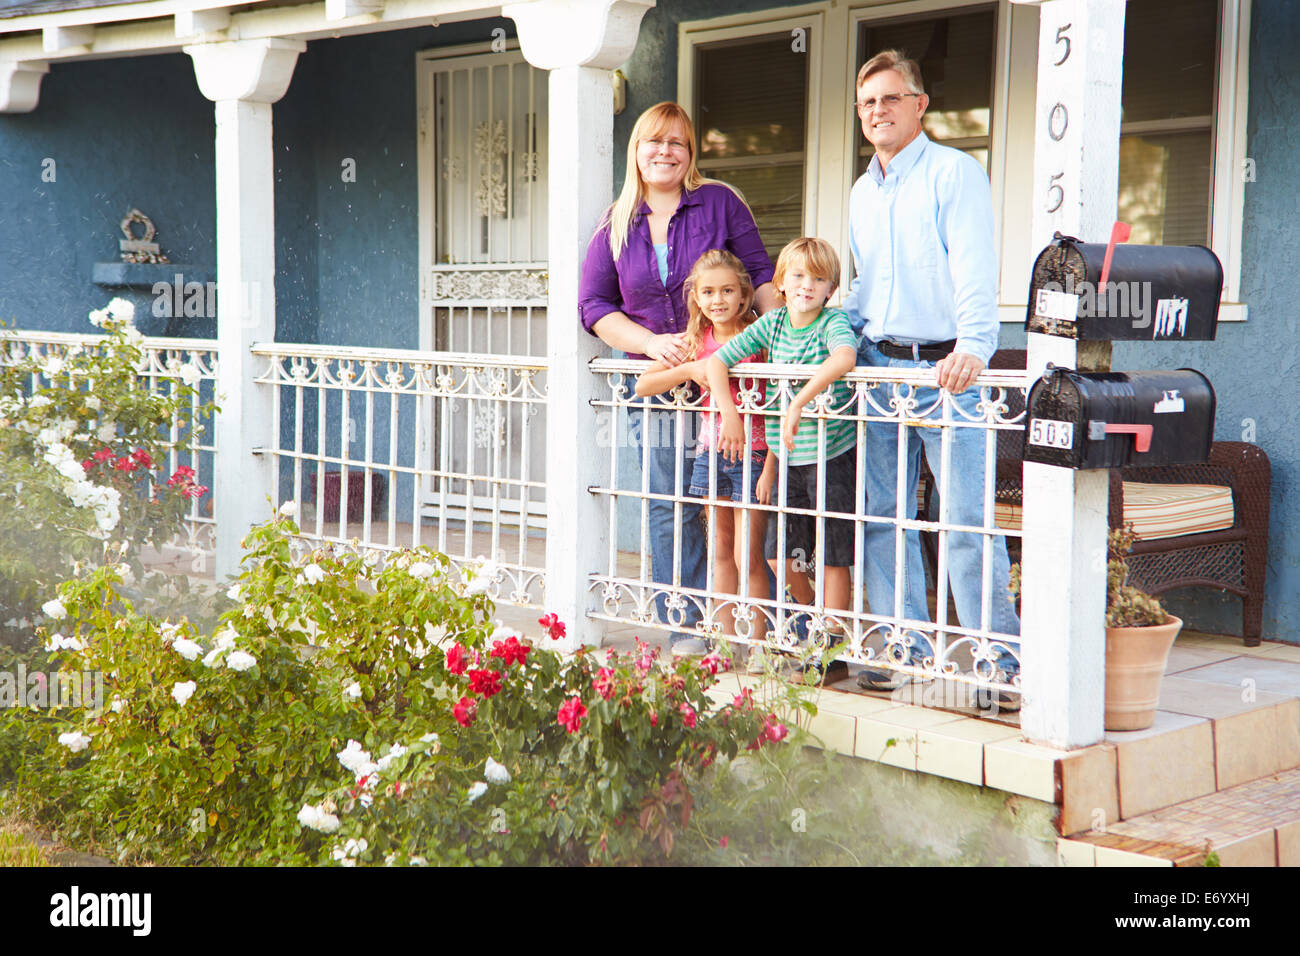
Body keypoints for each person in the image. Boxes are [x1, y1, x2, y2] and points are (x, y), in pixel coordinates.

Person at [843, 49, 1021, 707]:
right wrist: (831, 334)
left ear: (919, 105)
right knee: (882, 515)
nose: (878, 111)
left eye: (891, 98)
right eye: (867, 103)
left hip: (948, 369)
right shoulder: (864, 191)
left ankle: (999, 663)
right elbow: (868, 286)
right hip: (879, 368)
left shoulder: (954, 174)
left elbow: (974, 269)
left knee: (967, 520)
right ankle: (903, 645)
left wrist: (975, 346)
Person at [579, 102, 780, 655]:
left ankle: (759, 626)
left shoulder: (718, 202)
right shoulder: (616, 222)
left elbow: (760, 274)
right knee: (671, 501)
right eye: (654, 141)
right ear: (636, 151)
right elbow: (594, 305)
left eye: (677, 142)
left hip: (730, 382)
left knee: (743, 502)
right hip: (660, 386)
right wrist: (649, 345)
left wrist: (785, 337)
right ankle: (686, 623)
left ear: (690, 154)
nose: (665, 151)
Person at [707, 237, 858, 683]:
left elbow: (844, 357)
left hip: (830, 453)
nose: (807, 285)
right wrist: (730, 415)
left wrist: (797, 402)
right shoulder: (772, 324)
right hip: (788, 456)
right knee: (778, 554)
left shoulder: (833, 321)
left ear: (830, 288)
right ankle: (817, 622)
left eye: (818, 278)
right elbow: (719, 362)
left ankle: (830, 651)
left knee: (831, 553)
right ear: (781, 283)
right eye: (798, 276)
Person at [635, 250, 773, 671]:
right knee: (721, 551)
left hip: (753, 452)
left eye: (727, 290)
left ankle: (760, 645)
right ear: (695, 297)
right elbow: (643, 384)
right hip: (710, 454)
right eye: (708, 292)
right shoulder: (697, 339)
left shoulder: (760, 336)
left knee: (751, 554)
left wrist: (770, 465)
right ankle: (727, 640)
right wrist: (690, 369)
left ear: (744, 293)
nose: (718, 300)